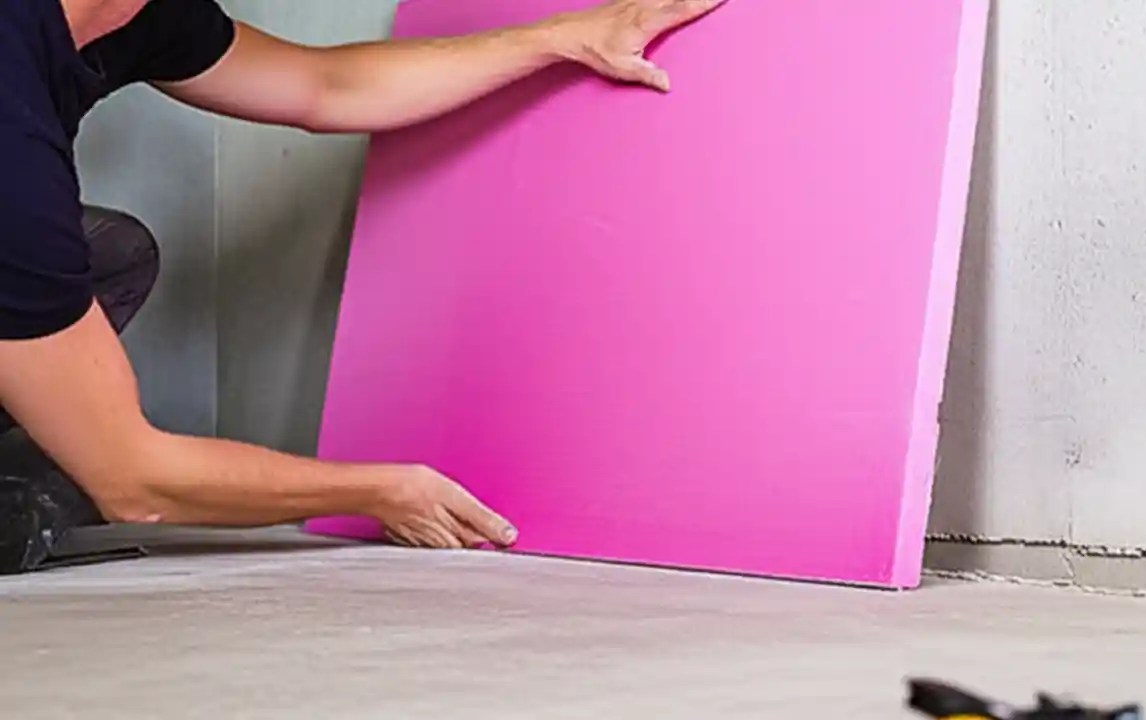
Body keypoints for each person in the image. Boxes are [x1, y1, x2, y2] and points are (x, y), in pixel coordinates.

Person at [0, 0, 724, 571]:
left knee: (112, 254)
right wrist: (375, 491)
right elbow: (136, 480)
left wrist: (566, 35)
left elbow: (328, 86)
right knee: (73, 440)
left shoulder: (137, 13)